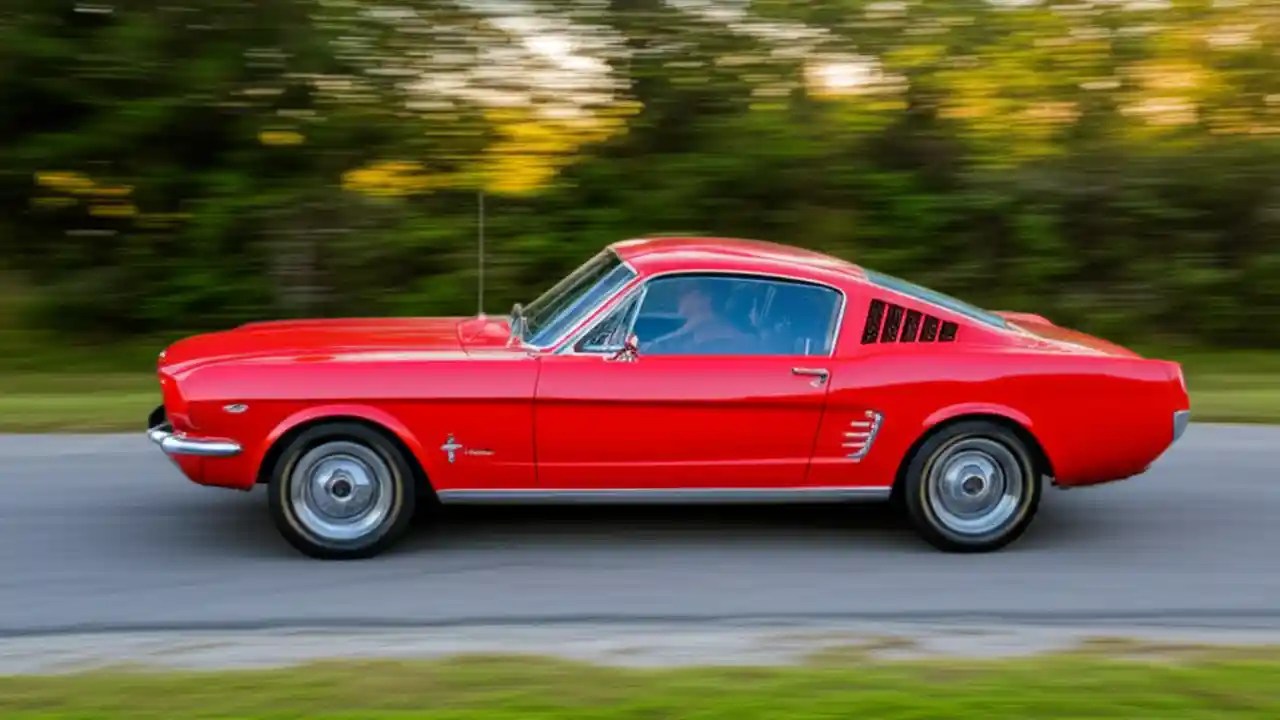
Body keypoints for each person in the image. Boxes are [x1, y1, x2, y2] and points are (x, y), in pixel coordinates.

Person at [642, 279, 758, 355]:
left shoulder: (736, 344)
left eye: (684, 291)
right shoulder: (692, 336)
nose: (679, 298)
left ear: (702, 297)